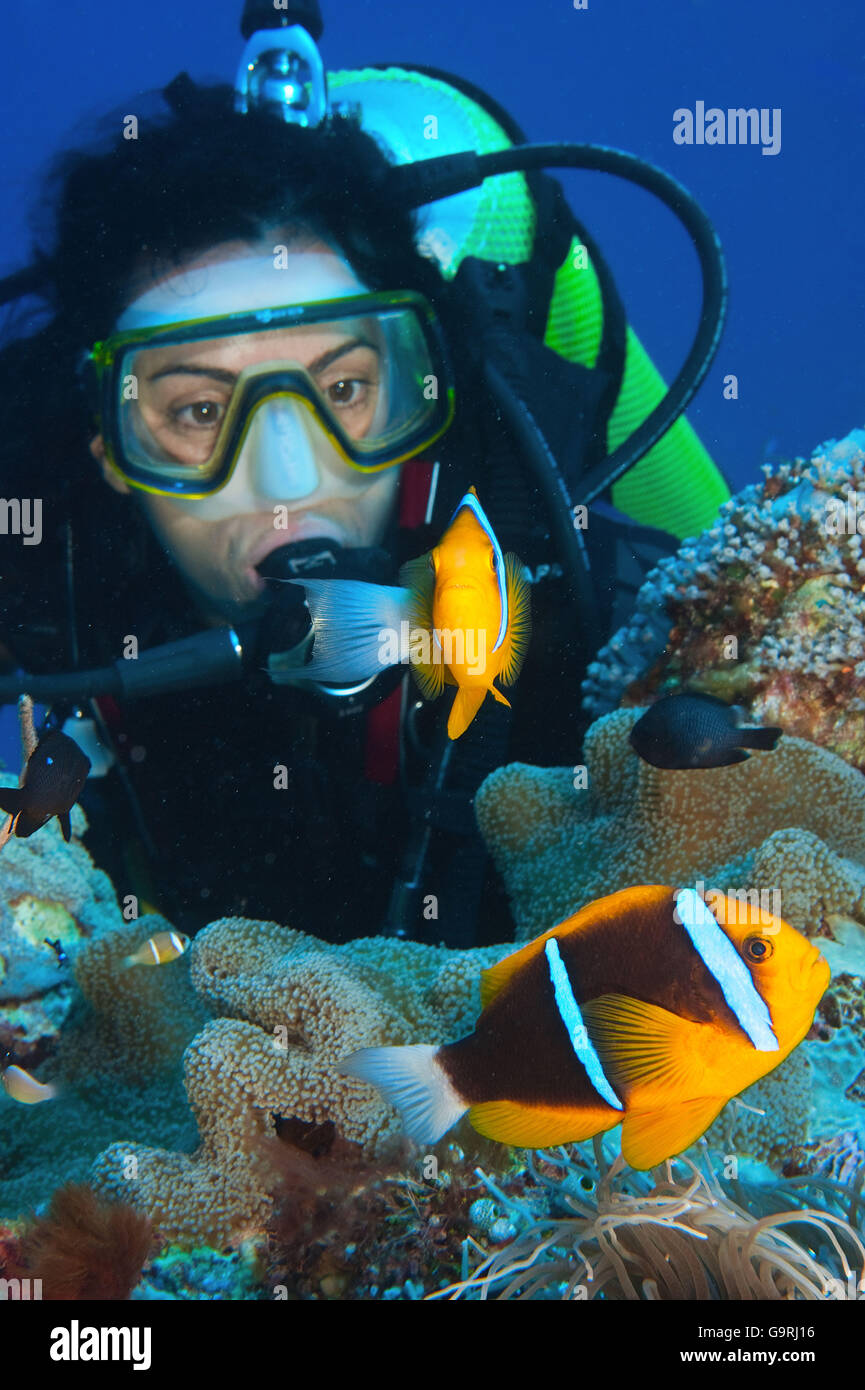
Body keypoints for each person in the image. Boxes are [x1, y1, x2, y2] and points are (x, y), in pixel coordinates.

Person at [0, 8, 730, 947]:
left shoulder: (596, 611)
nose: (288, 476)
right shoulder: (53, 615)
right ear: (107, 448)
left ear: (417, 390)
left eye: (342, 388)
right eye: (196, 412)